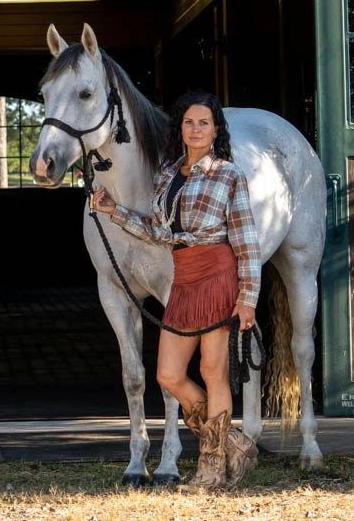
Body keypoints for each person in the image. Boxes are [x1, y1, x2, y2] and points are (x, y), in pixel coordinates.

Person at [91, 91, 261, 489]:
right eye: (189, 122)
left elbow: (247, 242)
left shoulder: (228, 174)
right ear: (180, 129)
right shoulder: (168, 175)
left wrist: (247, 297)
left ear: (216, 129)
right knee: (168, 375)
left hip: (217, 271)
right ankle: (231, 442)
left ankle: (212, 469)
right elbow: (157, 232)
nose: (196, 129)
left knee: (212, 372)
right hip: (183, 275)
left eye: (204, 122)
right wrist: (113, 211)